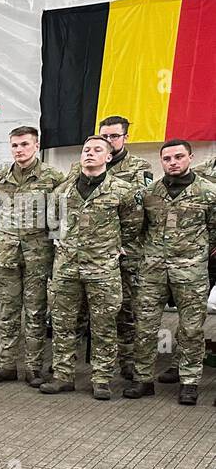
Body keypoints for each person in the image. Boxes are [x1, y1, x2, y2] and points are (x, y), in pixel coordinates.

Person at [41, 135, 142, 400]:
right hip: (67, 268)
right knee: (63, 323)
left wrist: (112, 247)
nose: (90, 153)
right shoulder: (62, 190)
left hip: (102, 269)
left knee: (104, 324)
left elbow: (132, 226)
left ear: (108, 157)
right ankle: (63, 376)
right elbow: (51, 223)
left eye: (98, 150)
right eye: (86, 150)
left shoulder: (122, 190)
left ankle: (102, 378)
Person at [124, 140, 216, 405]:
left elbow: (213, 230)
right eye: (167, 158)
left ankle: (189, 382)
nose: (173, 162)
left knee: (190, 329)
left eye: (179, 156)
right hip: (153, 271)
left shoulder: (208, 192)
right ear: (161, 161)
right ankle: (142, 379)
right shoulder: (149, 193)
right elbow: (138, 229)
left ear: (190, 157)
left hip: (191, 272)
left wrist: (195, 253)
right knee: (144, 326)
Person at [0, 126, 64, 386]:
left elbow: (61, 217)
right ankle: (6, 364)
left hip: (38, 256)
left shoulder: (53, 177)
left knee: (36, 312)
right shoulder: (0, 179)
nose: (19, 150)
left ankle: (33, 367)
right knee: (8, 311)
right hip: (8, 256)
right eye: (15, 145)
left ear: (36, 145)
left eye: (24, 145)